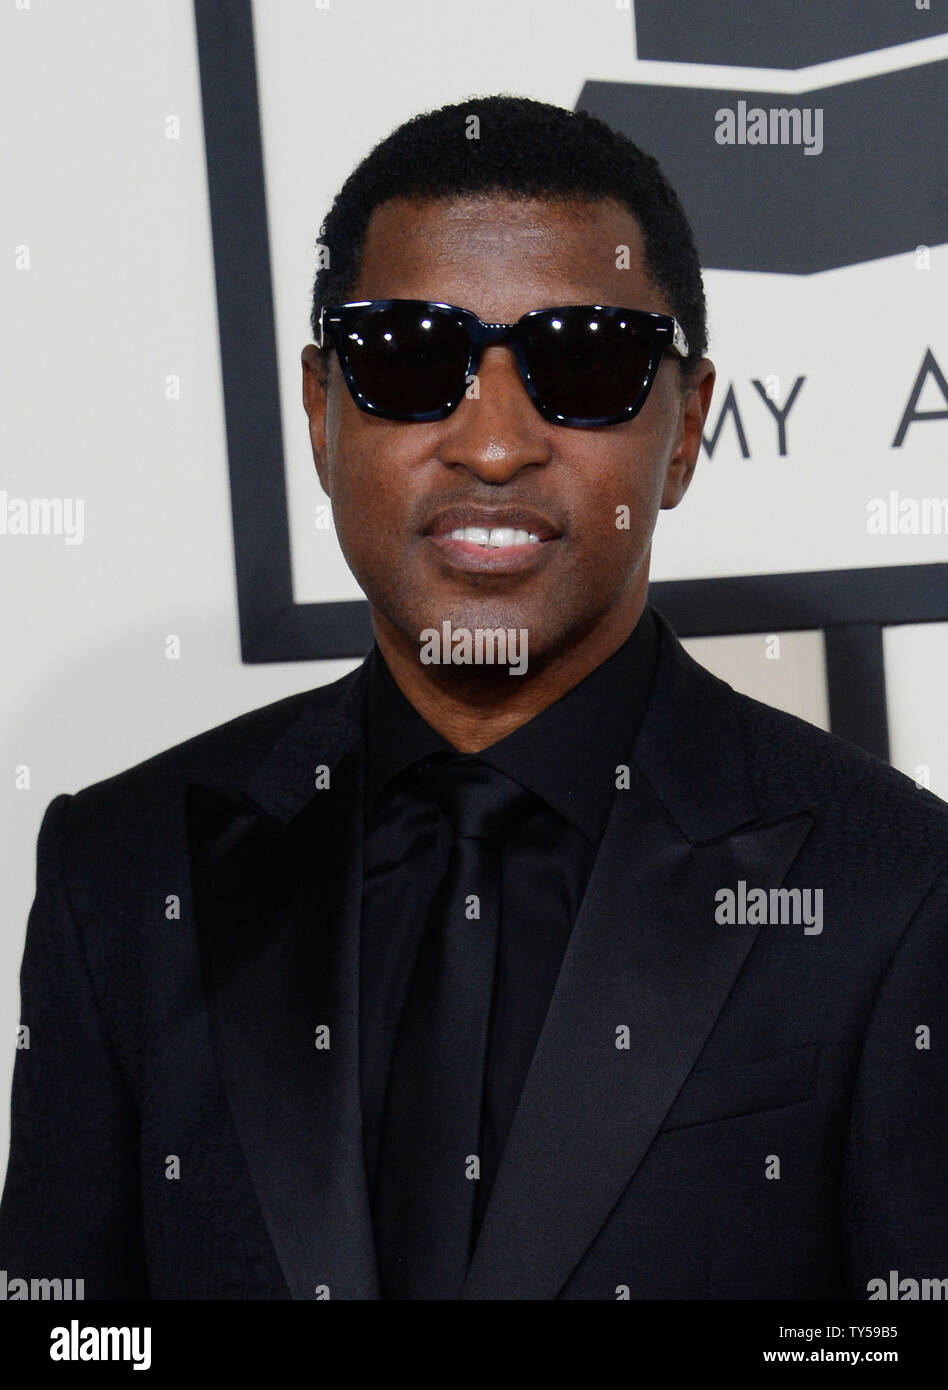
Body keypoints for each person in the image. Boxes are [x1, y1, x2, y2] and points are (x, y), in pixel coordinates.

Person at [1, 95, 946, 1301]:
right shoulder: (123, 874)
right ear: (318, 411)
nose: (492, 443)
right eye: (407, 357)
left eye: (586, 360)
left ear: (685, 428)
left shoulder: (894, 885)